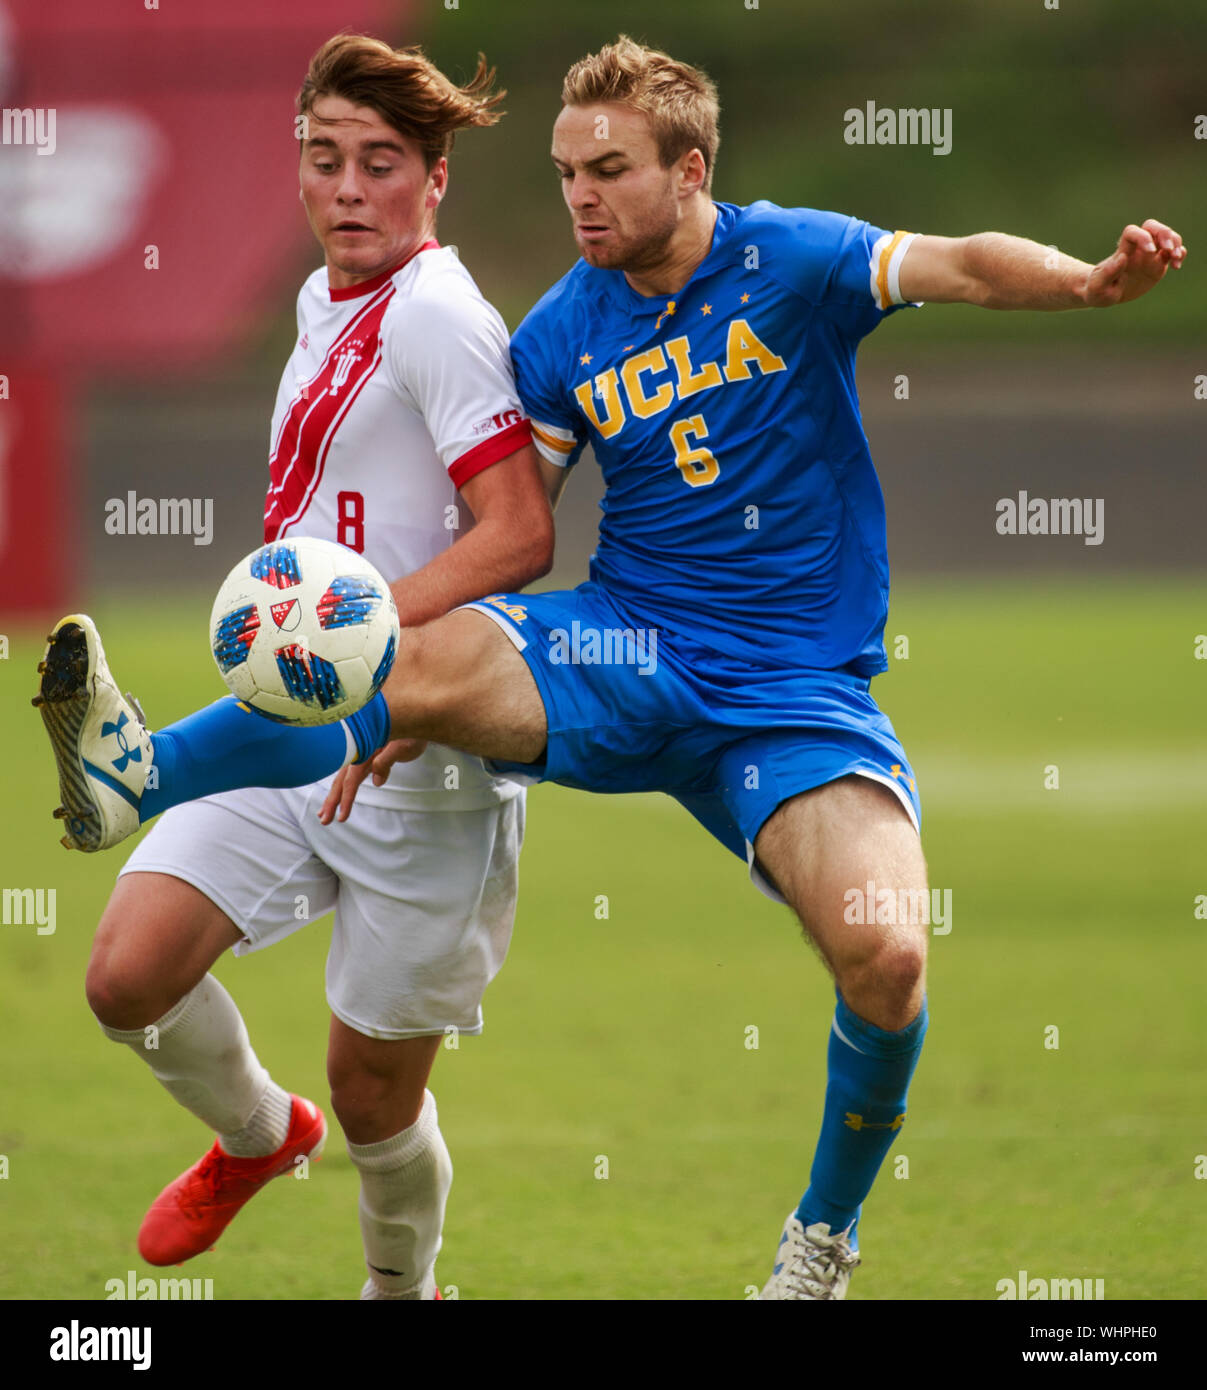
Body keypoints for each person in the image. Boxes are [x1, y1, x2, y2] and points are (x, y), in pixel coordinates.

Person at [38, 35, 1185, 1300]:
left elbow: (956, 262)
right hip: (622, 643)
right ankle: (137, 776)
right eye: (566, 169)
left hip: (791, 694)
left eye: (609, 169)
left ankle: (819, 1243)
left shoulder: (791, 260)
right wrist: (423, 693)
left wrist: (1084, 281)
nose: (580, 194)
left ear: (689, 173)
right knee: (401, 668)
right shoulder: (560, 331)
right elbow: (516, 530)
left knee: (889, 956)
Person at [34, 34, 554, 1301]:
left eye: (380, 164)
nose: (348, 189)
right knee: (126, 976)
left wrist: (382, 643)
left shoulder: (438, 314)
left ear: (433, 181)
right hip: (300, 725)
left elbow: (520, 530)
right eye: (325, 161)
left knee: (376, 1099)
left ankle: (400, 1289)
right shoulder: (330, 299)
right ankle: (261, 1140)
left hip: (422, 765)